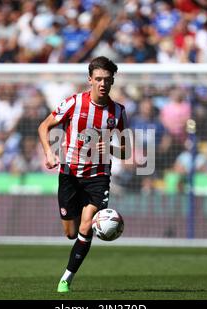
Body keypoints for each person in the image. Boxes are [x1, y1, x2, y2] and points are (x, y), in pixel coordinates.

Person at [38, 56, 129, 293]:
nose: (102, 84)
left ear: (112, 82)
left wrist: (109, 146)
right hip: (69, 174)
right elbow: (44, 126)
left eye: (107, 80)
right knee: (71, 233)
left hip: (98, 177)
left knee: (86, 227)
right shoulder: (74, 103)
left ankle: (66, 278)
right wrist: (49, 153)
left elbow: (126, 149)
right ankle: (80, 233)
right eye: (98, 79)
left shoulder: (118, 112)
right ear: (90, 79)